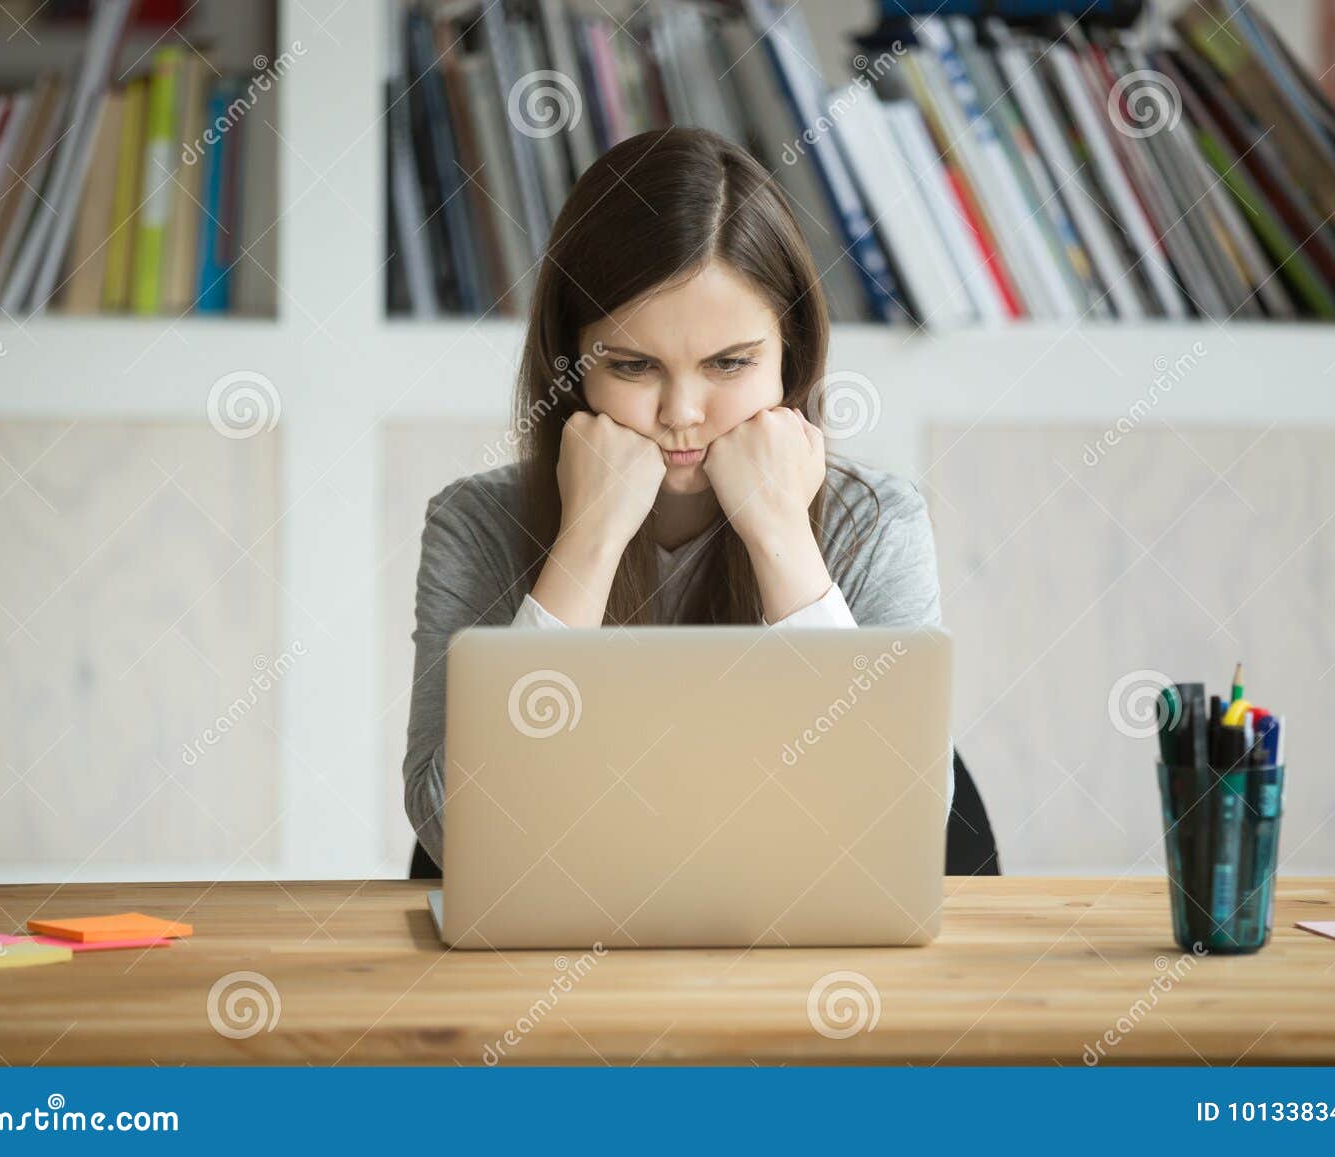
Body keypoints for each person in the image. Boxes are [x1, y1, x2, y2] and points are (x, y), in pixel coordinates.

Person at [403, 126, 961, 872]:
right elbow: (455, 830)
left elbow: (902, 824)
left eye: (729, 363)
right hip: (547, 971)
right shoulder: (475, 525)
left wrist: (784, 542)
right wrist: (588, 543)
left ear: (788, 356)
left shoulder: (878, 524)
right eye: (634, 365)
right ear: (571, 366)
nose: (682, 411)